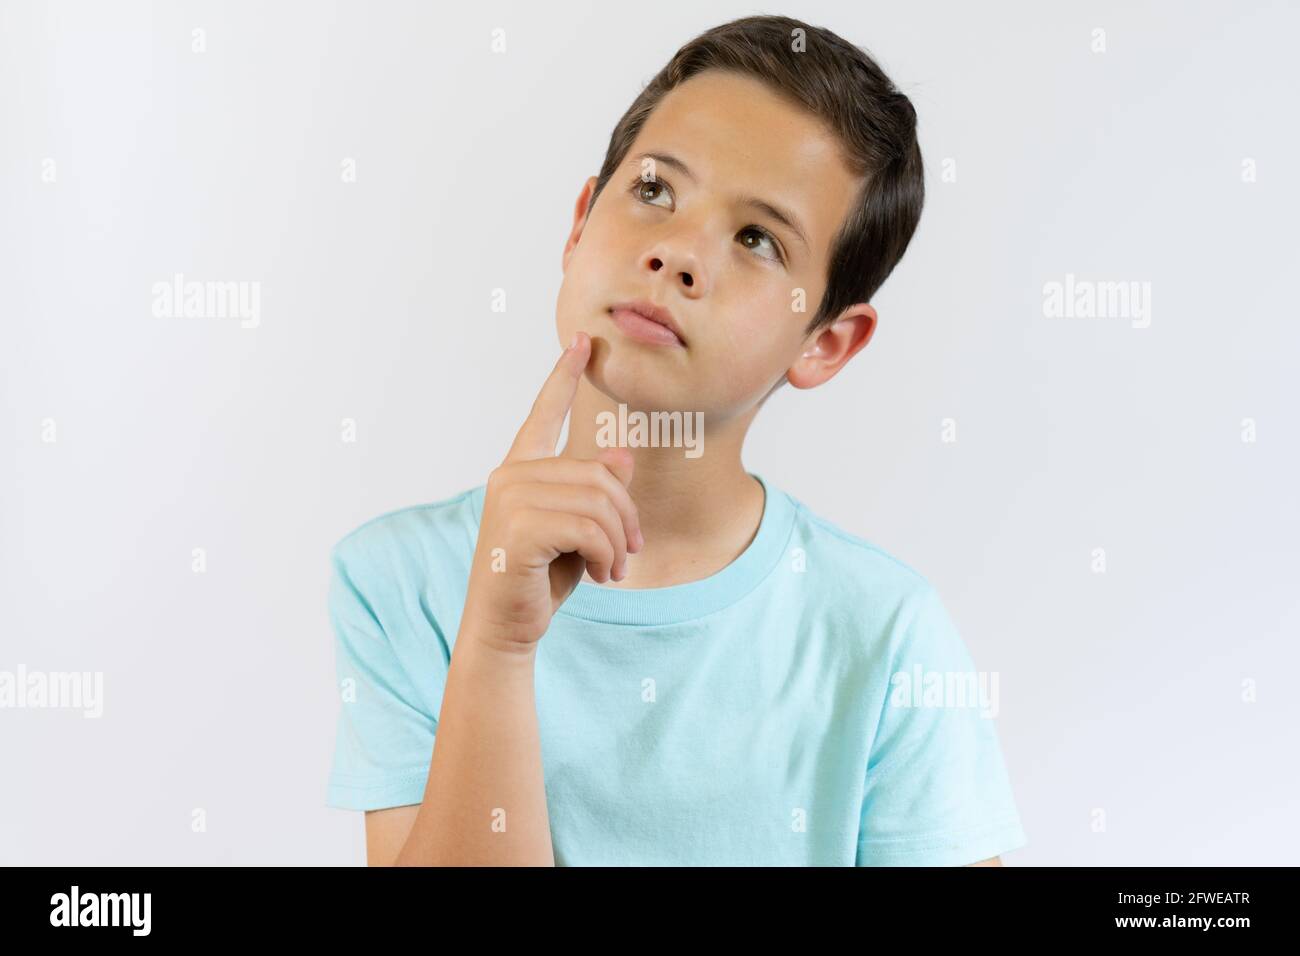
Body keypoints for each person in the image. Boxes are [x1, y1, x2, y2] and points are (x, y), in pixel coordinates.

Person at [325, 14, 1027, 866]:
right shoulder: (397, 581)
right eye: (655, 189)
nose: (678, 254)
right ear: (580, 223)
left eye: (757, 238)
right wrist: (498, 649)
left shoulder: (886, 636)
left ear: (825, 342)